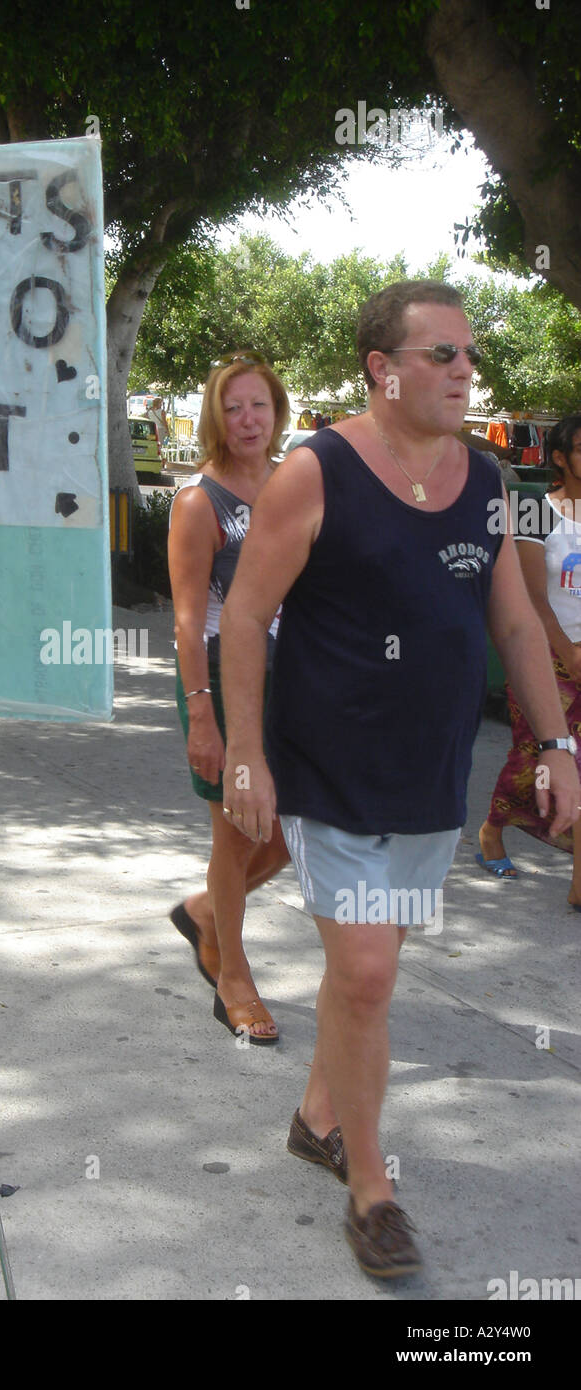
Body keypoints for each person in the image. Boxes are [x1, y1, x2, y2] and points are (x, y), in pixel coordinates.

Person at [218, 281, 580, 1277]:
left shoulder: (485, 477)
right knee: (369, 974)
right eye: (442, 356)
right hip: (327, 763)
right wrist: (243, 750)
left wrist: (557, 747)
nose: (465, 370)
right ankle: (370, 1185)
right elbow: (244, 615)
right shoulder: (314, 470)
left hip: (429, 770)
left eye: (467, 355)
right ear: (383, 370)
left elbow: (511, 619)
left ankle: (314, 1114)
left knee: (368, 970)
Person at [167, 352, 290, 1042]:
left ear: (279, 412)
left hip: (295, 686)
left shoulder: (293, 484)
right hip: (221, 683)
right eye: (233, 406)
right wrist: (203, 717)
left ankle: (208, 911)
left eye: (259, 405)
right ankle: (234, 977)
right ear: (216, 415)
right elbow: (187, 619)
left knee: (295, 829)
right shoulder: (198, 501)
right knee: (237, 829)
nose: (247, 419)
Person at [477, 413, 581, 903]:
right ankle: (492, 829)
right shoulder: (536, 512)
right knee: (532, 754)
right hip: (544, 658)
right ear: (559, 457)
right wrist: (570, 655)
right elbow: (534, 603)